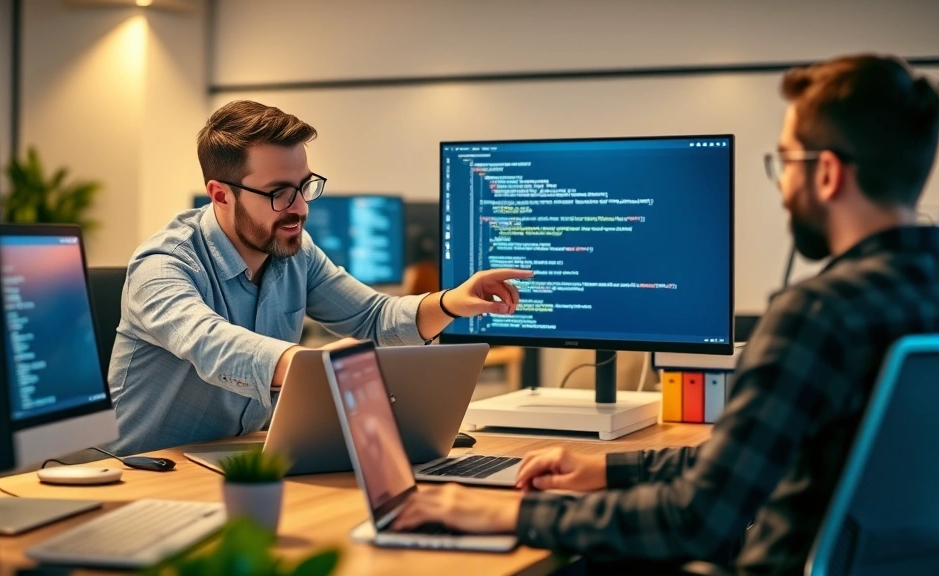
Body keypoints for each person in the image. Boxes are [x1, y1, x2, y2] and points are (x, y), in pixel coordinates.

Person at [392, 54, 939, 574]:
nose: (783, 189)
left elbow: (696, 517)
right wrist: (608, 467)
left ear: (826, 174)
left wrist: (508, 514)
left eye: (786, 162)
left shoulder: (818, 315)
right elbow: (738, 469)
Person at [107, 101, 531, 455]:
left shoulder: (293, 249)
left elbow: (372, 318)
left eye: (304, 186)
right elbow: (213, 343)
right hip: (142, 469)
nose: (300, 208)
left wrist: (451, 302)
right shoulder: (163, 265)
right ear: (220, 194)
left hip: (241, 460)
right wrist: (317, 366)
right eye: (279, 193)